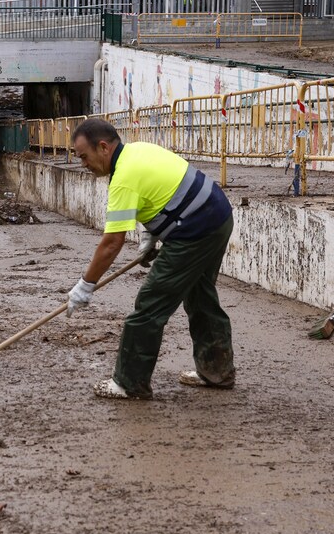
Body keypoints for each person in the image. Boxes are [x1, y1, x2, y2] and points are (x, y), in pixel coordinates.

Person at [66, 118, 235, 400]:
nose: (83, 164)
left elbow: (112, 243)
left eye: (84, 156)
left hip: (195, 229)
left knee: (150, 305)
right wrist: (153, 233)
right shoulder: (137, 150)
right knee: (200, 296)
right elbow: (164, 191)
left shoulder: (123, 178)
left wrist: (86, 284)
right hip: (217, 215)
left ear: (103, 147)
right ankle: (217, 371)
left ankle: (129, 383)